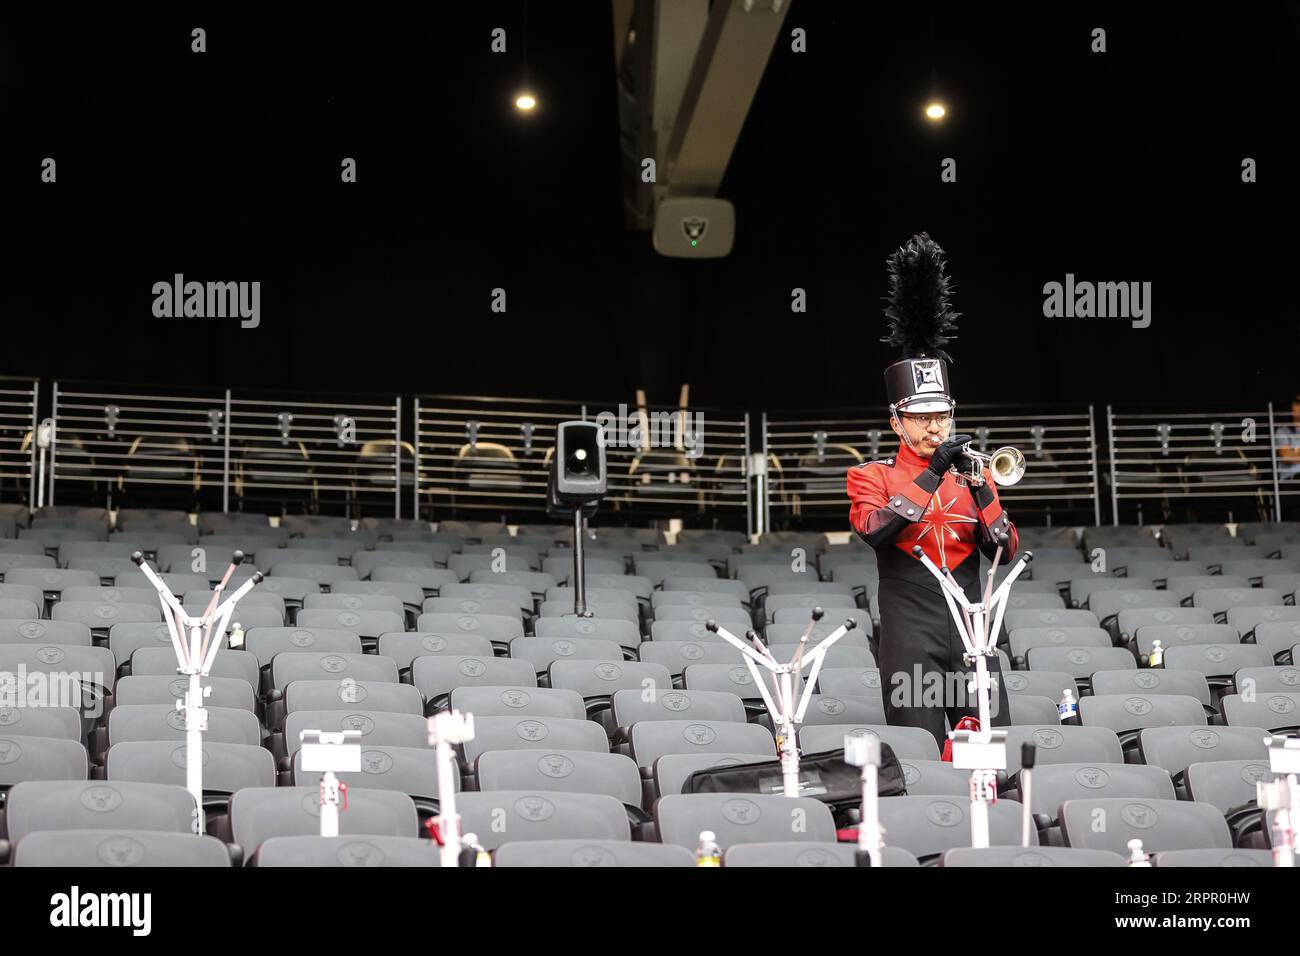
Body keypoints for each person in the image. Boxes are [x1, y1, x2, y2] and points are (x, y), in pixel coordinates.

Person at [845, 233, 1020, 746]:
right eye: (921, 418)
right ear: (897, 422)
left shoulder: (974, 471)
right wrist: (931, 473)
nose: (934, 428)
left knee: (992, 758)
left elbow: (1005, 550)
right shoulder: (871, 474)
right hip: (909, 636)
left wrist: (980, 488)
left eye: (941, 416)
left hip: (973, 634)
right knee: (919, 756)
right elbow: (878, 532)